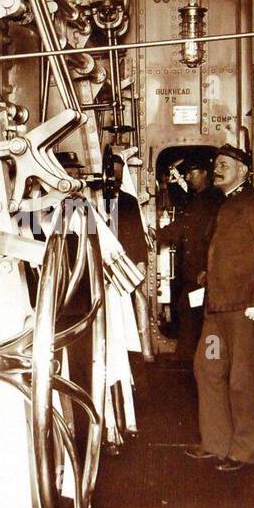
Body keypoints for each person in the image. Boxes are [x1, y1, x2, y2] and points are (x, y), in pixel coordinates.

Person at [189, 145, 254, 473]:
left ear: (243, 170)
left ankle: (242, 451)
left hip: (243, 310)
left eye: (224, 164)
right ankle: (215, 443)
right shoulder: (227, 205)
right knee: (208, 369)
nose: (216, 169)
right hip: (217, 310)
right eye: (215, 164)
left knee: (242, 381)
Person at [156, 151, 223, 362]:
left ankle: (193, 361)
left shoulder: (213, 200)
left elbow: (212, 238)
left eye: (191, 172)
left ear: (205, 173)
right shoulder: (199, 199)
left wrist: (208, 270)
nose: (186, 177)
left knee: (192, 314)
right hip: (194, 273)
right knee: (189, 313)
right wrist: (157, 235)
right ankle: (191, 360)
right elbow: (182, 227)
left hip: (202, 273)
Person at [103, 154, 154, 364]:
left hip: (126, 263)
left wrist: (141, 261)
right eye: (112, 173)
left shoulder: (128, 202)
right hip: (106, 261)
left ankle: (138, 353)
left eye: (119, 173)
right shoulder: (97, 201)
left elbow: (137, 235)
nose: (116, 177)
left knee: (132, 306)